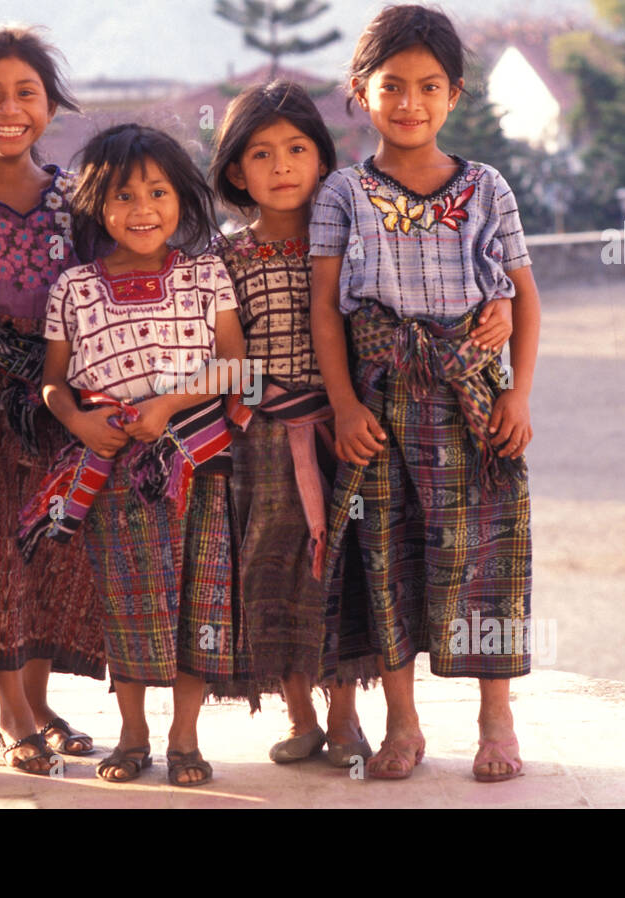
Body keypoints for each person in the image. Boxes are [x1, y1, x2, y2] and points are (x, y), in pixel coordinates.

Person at [309, 3, 539, 782]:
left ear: (455, 96)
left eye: (429, 87)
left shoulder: (487, 188)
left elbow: (525, 297)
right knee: (385, 556)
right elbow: (324, 307)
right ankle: (401, 724)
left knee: (484, 558)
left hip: (473, 402)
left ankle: (496, 721)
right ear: (361, 92)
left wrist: (519, 397)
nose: (410, 103)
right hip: (377, 403)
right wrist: (343, 405)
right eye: (393, 85)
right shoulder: (343, 194)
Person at [22, 124, 253, 787]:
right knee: (128, 603)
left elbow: (236, 366)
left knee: (198, 600)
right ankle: (133, 735)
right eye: (124, 196)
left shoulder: (206, 274)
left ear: (181, 197)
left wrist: (168, 406)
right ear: (97, 204)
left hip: (196, 466)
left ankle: (185, 738)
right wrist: (78, 421)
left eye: (158, 192)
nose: (144, 209)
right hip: (115, 469)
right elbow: (52, 380)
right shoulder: (74, 288)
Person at [0, 26, 106, 775]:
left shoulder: (77, 199)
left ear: (50, 105)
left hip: (59, 399)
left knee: (52, 550)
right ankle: (9, 714)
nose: (9, 109)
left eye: (26, 93)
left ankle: (37, 702)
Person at [207, 80, 378, 767]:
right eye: (261, 154)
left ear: (321, 159)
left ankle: (346, 717)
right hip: (262, 444)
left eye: (297, 149)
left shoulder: (348, 245)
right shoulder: (224, 258)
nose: (281, 166)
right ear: (235, 172)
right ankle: (300, 715)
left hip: (342, 436)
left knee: (341, 572)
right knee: (272, 573)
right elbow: (225, 357)